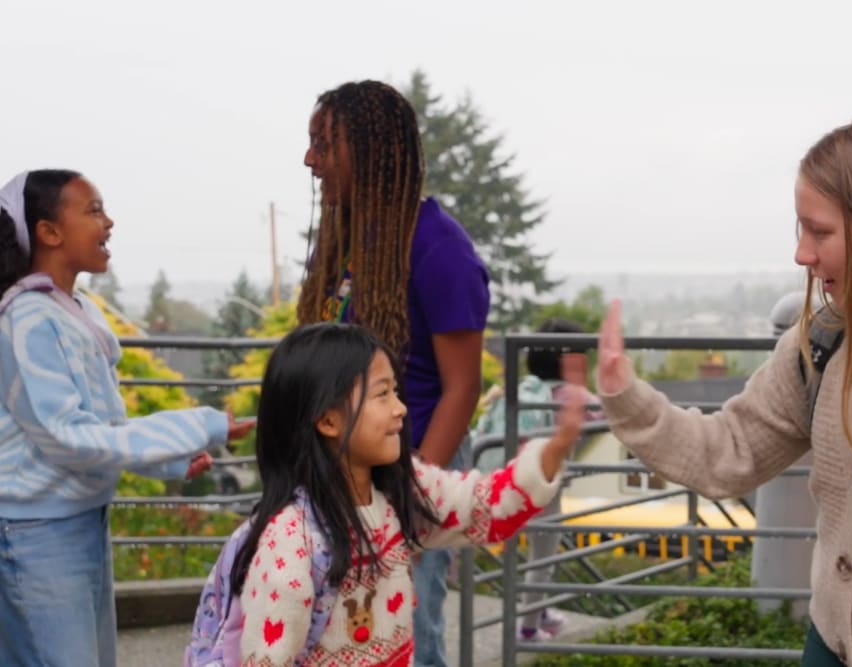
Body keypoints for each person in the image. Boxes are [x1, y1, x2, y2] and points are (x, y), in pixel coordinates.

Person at [594, 109, 852, 667]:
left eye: (821, 232)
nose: (802, 254)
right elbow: (729, 451)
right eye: (800, 229)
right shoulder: (823, 344)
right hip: (827, 648)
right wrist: (626, 396)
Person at [187, 322, 584, 666]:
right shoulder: (291, 541)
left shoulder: (401, 491)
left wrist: (555, 447)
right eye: (382, 394)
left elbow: (483, 506)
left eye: (396, 391)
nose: (400, 409)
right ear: (327, 420)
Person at [0, 169, 254, 667]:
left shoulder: (74, 308)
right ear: (49, 232)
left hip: (76, 521)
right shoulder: (26, 319)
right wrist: (200, 425)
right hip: (36, 534)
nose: (109, 222)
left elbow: (103, 428)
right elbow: (67, 437)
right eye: (93, 210)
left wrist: (166, 461)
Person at [299, 79, 490, 667]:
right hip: (341, 473)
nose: (309, 161)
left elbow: (463, 386)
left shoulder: (440, 247)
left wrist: (416, 496)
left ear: (370, 151)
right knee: (341, 635)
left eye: (323, 145)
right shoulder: (347, 238)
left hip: (408, 470)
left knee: (404, 636)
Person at [472, 317, 603, 641]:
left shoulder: (522, 388)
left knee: (523, 551)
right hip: (544, 484)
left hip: (508, 479)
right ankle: (529, 629)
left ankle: (540, 612)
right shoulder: (573, 394)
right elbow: (608, 415)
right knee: (542, 557)